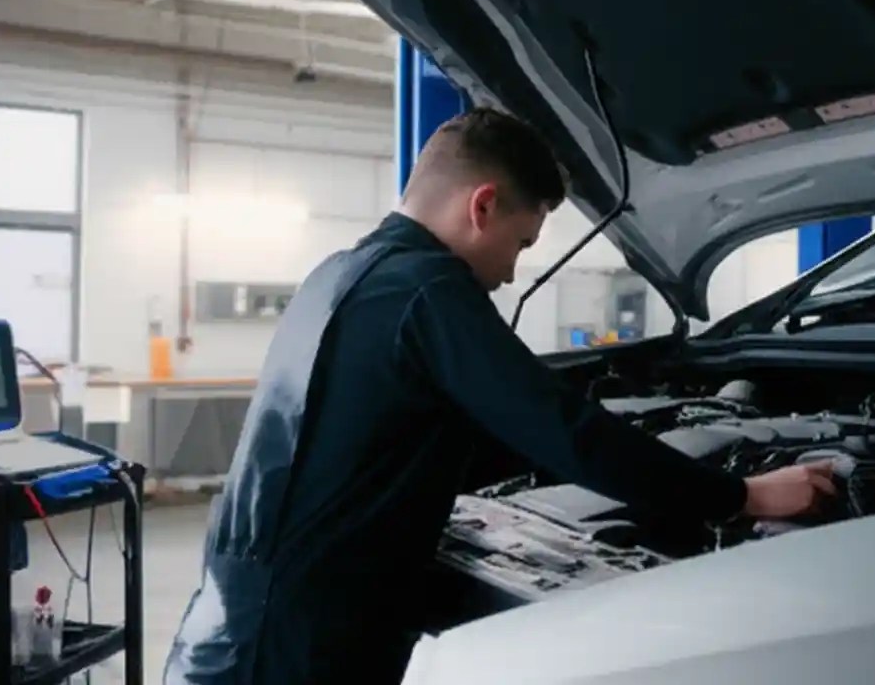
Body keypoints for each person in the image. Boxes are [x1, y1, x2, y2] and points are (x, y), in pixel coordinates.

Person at [163, 107, 836, 685]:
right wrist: (741, 495)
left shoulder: (341, 276)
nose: (512, 274)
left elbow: (434, 437)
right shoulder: (429, 292)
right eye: (520, 243)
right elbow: (565, 430)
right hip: (295, 649)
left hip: (235, 623)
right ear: (482, 205)